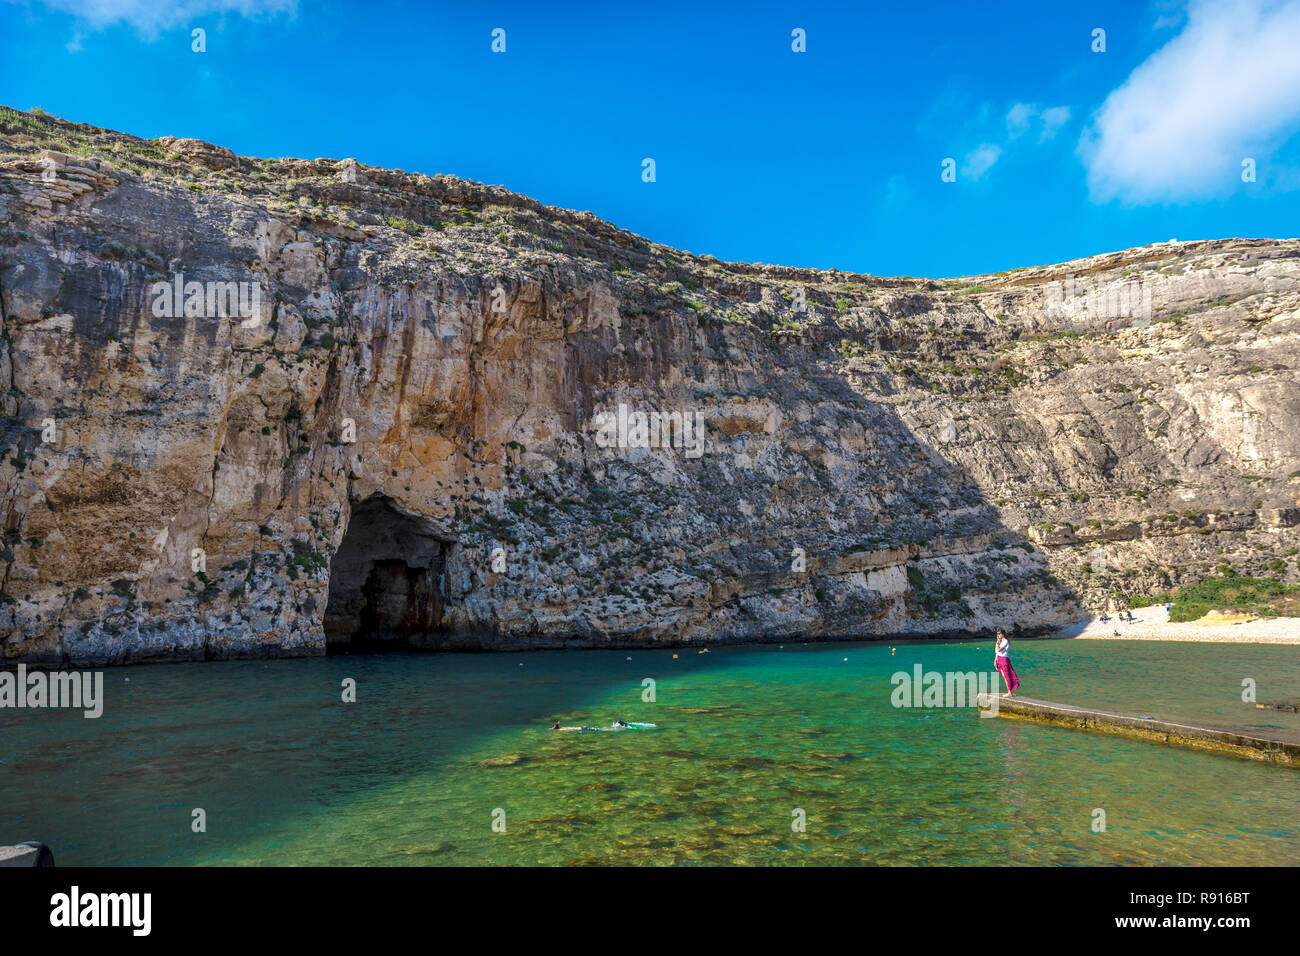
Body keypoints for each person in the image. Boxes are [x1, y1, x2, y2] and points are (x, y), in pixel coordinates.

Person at [994, 628, 1019, 698]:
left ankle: (1010, 692)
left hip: (1004, 659)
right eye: (997, 634)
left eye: (999, 634)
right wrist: (995, 660)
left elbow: (999, 649)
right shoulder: (999, 641)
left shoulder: (1005, 641)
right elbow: (997, 652)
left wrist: (998, 642)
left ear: (1003, 634)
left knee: (1007, 675)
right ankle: (1009, 691)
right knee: (1004, 676)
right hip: (999, 659)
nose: (998, 635)